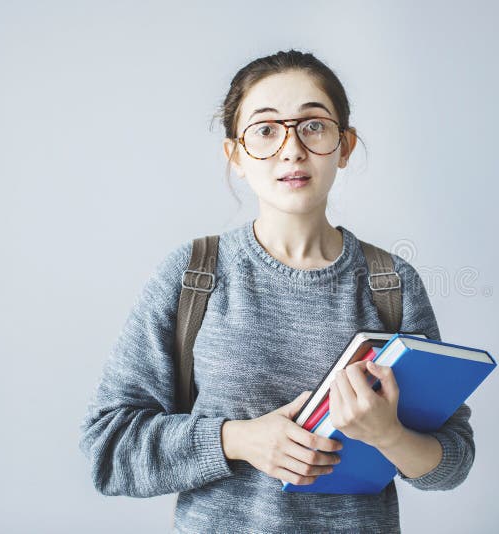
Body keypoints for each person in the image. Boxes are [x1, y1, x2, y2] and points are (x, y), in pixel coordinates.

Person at [79, 49, 475, 533]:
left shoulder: (390, 283)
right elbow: (107, 449)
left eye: (313, 125)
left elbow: (452, 462)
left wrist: (388, 434)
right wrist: (237, 441)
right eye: (265, 130)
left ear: (344, 145)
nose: (291, 149)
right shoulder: (192, 275)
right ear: (236, 156)